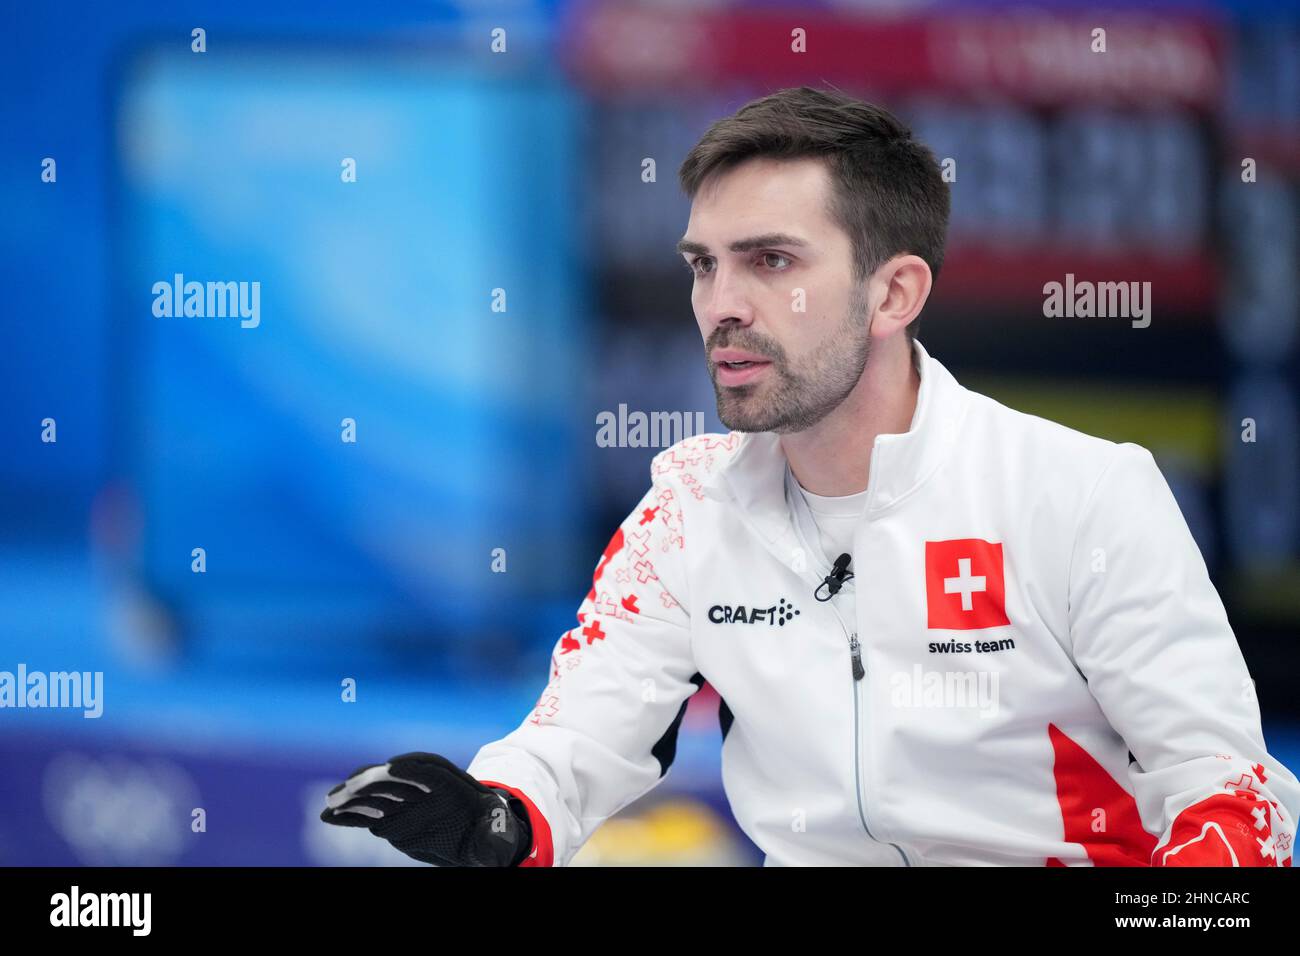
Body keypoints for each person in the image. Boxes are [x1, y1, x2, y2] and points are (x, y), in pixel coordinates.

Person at [321, 86, 1298, 867]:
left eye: (770, 260)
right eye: (704, 265)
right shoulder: (685, 512)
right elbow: (573, 745)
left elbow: (1230, 795)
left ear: (894, 291)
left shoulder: (1080, 493)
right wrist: (501, 814)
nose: (721, 305)